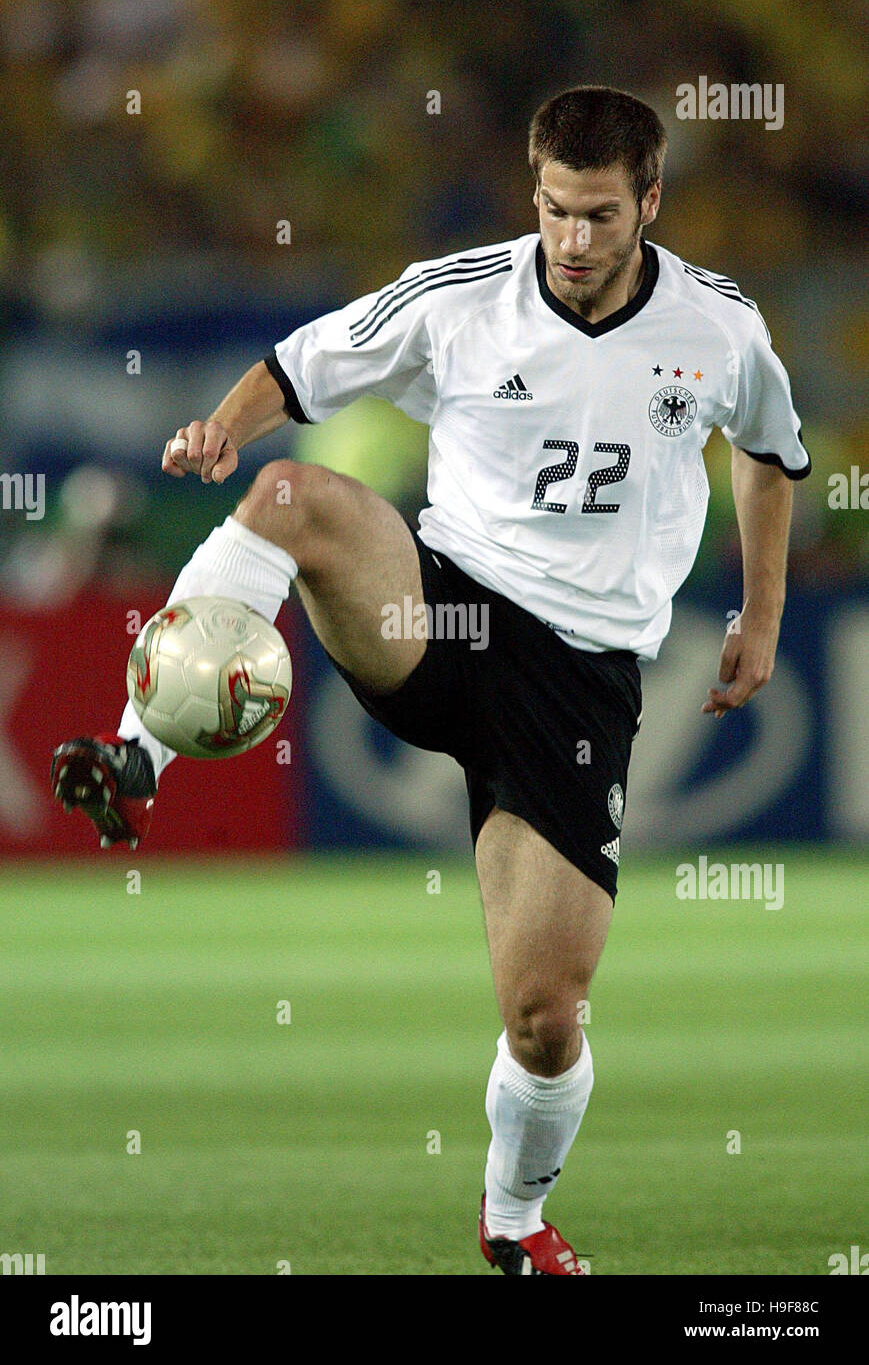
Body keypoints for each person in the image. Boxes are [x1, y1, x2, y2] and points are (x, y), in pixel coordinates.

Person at [51, 85, 810, 1275]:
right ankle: (136, 756)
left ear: (650, 203)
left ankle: (511, 1222)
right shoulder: (461, 296)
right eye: (554, 210)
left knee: (543, 1018)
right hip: (441, 613)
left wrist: (759, 614)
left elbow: (770, 454)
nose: (571, 241)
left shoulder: (720, 330)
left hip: (581, 682)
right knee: (291, 498)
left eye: (600, 216)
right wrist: (221, 427)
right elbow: (299, 368)